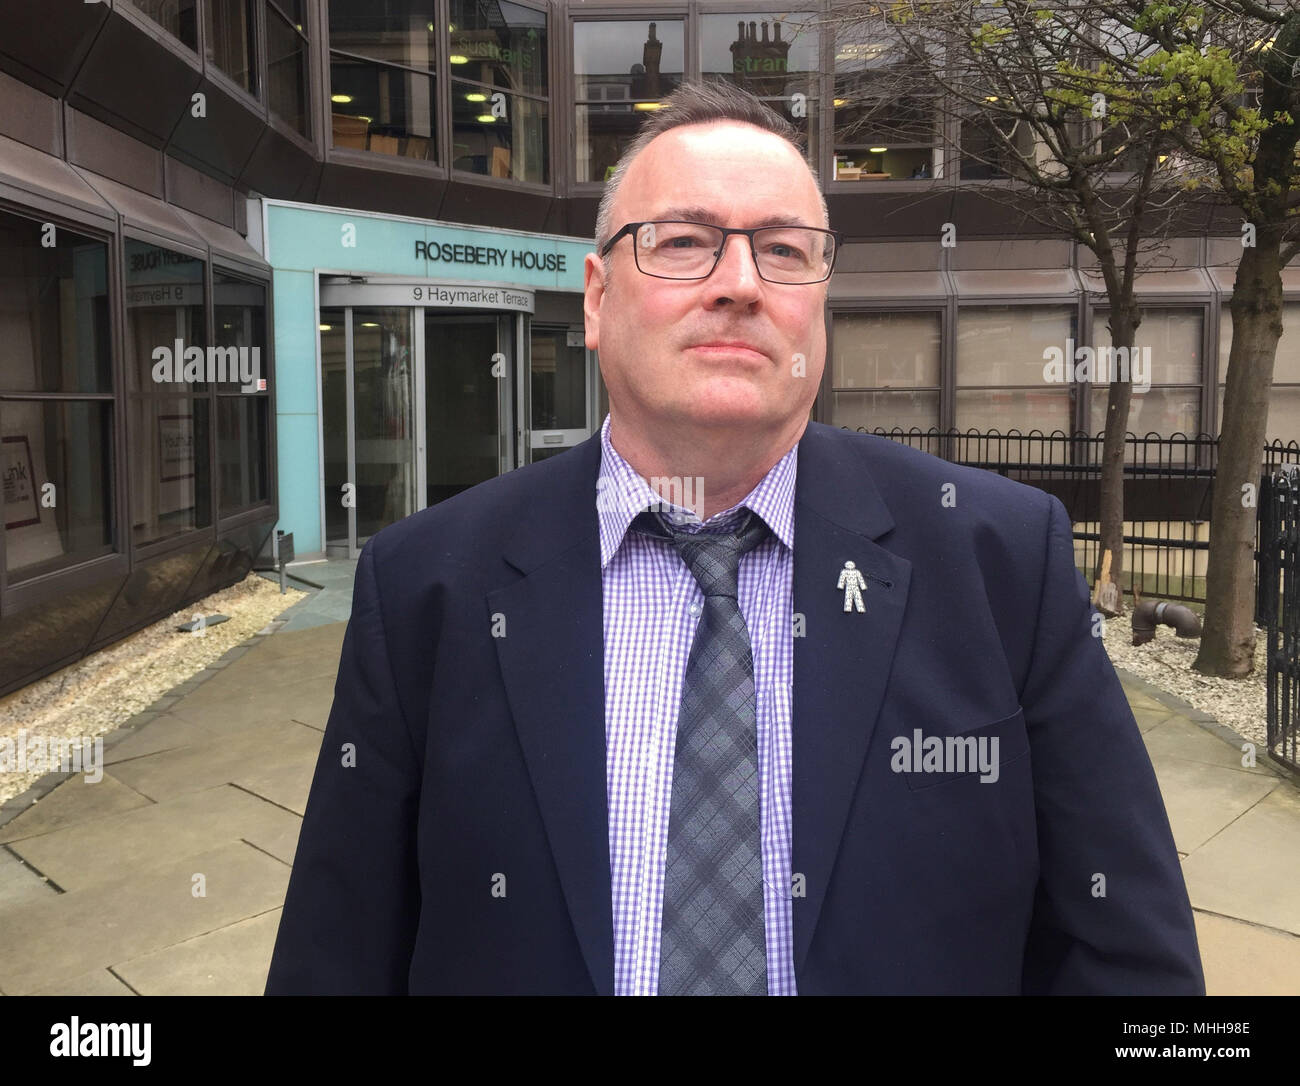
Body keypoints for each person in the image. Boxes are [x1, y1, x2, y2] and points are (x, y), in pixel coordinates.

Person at [265, 79, 1204, 996]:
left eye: (786, 252)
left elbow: (1124, 948)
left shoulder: (1001, 560)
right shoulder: (428, 585)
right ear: (595, 300)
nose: (741, 285)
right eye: (684, 243)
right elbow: (339, 953)